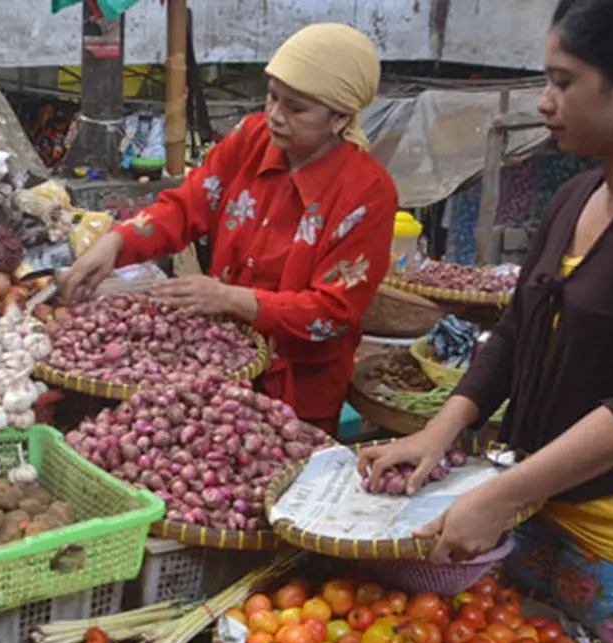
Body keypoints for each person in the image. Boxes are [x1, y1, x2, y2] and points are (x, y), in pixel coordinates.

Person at [359, 0, 613, 643]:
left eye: (563, 82)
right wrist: (439, 433)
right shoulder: (576, 195)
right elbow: (515, 333)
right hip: (543, 498)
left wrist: (497, 497)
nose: (544, 101)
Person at [60, 23, 398, 435]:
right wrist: (116, 242)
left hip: (296, 391)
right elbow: (187, 206)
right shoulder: (252, 138)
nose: (275, 115)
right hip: (216, 367)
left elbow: (332, 312)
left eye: (296, 108)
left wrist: (226, 297)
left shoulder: (368, 193)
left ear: (341, 117)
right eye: (272, 96)